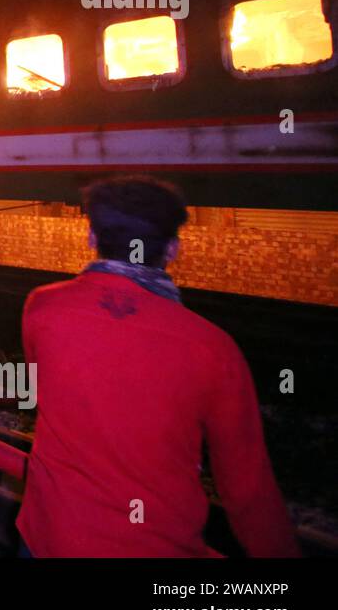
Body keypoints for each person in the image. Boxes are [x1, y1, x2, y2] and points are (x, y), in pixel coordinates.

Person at [17, 176, 299, 557]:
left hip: (47, 538)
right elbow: (248, 492)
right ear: (172, 249)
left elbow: (49, 393)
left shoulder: (43, 309)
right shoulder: (213, 349)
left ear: (90, 238)